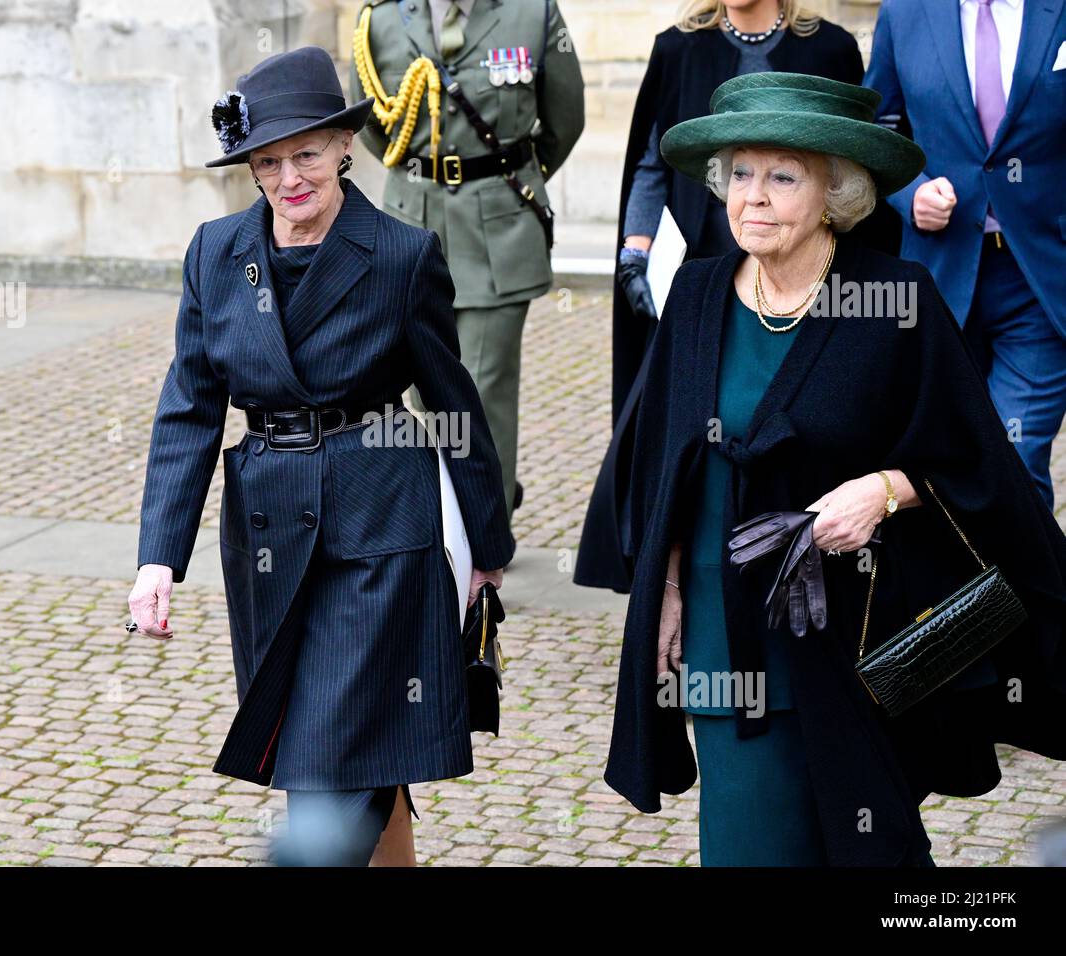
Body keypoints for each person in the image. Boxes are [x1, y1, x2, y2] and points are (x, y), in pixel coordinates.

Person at [599, 72, 1066, 865]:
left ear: (836, 192)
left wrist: (883, 490)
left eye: (784, 177)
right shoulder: (700, 292)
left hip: (858, 641)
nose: (754, 197)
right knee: (749, 844)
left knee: (865, 844)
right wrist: (668, 589)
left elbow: (980, 467)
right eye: (741, 173)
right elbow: (662, 464)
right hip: (727, 635)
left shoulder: (895, 299)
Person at [128, 46, 515, 867]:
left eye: (306, 153)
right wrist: (158, 559)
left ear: (345, 145)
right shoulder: (213, 252)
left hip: (381, 527)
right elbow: (189, 411)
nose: (289, 177)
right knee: (358, 749)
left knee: (335, 750)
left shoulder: (402, 255)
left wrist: (486, 548)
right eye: (267, 161)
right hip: (267, 531)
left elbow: (453, 405)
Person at [579, 0, 875, 592]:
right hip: (706, 273)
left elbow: (854, 166)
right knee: (682, 418)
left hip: (805, 272)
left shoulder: (830, 46)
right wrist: (635, 252)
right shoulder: (678, 46)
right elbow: (650, 160)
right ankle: (669, 558)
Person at [349, 0, 585, 525]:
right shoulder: (381, 20)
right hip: (411, 223)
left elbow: (565, 118)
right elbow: (367, 120)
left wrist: (503, 175)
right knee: (411, 386)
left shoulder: (533, 13)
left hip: (498, 228)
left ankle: (484, 538)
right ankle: (437, 518)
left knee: (482, 389)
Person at [864, 0, 1066, 511]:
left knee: (1014, 455)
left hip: (1041, 279)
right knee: (944, 456)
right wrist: (910, 194)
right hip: (941, 279)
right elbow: (879, 127)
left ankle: (1027, 589)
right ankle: (1002, 585)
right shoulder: (905, 13)